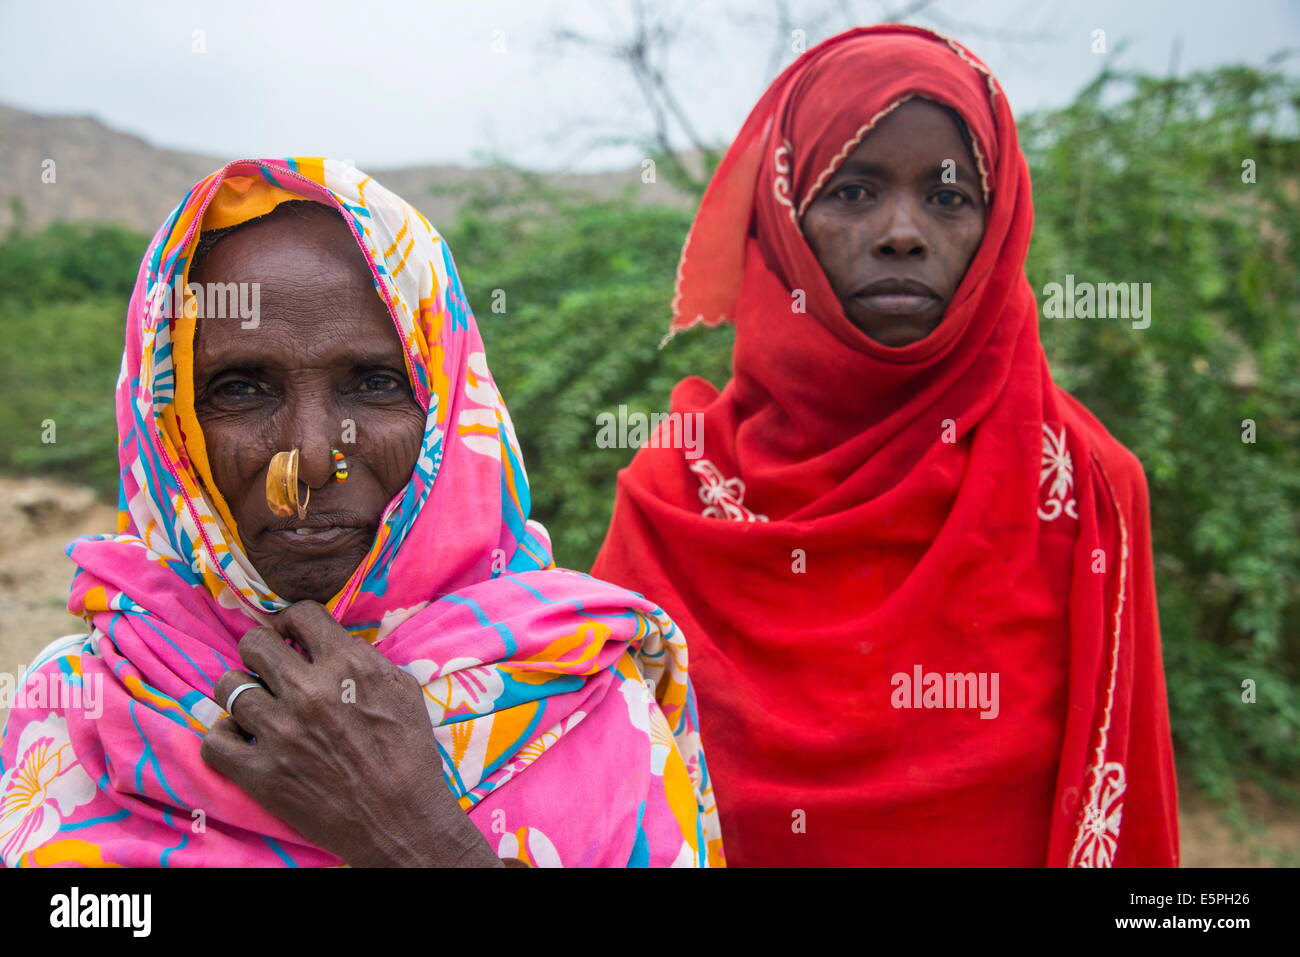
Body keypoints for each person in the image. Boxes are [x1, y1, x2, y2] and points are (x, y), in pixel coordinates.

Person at [0, 159, 723, 868]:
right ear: (168, 426)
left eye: (374, 382)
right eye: (241, 388)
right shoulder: (81, 702)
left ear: (446, 406)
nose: (313, 458)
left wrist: (418, 837)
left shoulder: (583, 690)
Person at [591, 25, 1180, 867]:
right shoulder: (677, 491)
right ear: (785, 219)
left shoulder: (1086, 492)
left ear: (999, 221)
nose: (903, 232)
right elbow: (597, 801)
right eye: (854, 191)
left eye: (948, 197)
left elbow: (1130, 816)